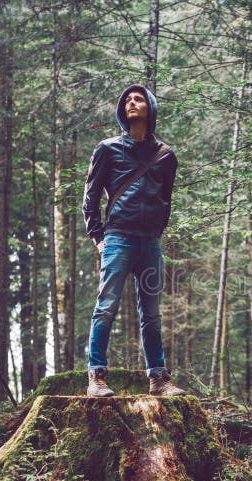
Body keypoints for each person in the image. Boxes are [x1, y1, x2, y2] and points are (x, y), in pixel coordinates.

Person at [82, 84, 184, 397]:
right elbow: (91, 195)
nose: (131, 102)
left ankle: (158, 379)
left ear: (150, 108)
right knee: (106, 306)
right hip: (118, 240)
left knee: (151, 313)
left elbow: (165, 199)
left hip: (150, 244)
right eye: (127, 100)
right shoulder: (108, 149)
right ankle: (96, 377)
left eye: (138, 99)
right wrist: (98, 235)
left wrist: (156, 231)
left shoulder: (166, 156)